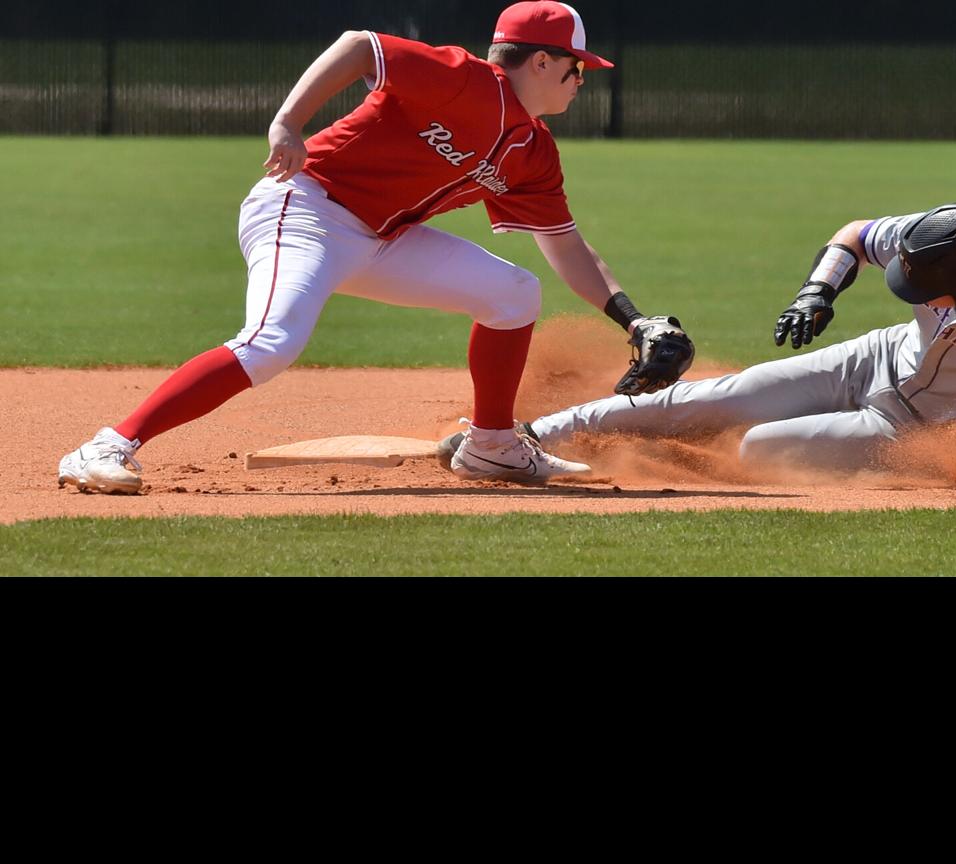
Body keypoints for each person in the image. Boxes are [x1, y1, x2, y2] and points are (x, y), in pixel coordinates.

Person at [56, 1, 691, 495]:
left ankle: (492, 444)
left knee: (515, 292)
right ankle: (109, 444)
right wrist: (286, 123)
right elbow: (360, 46)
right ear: (545, 62)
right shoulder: (465, 80)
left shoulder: (533, 150)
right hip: (304, 208)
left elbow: (567, 247)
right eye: (579, 67)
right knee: (272, 343)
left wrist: (633, 317)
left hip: (382, 239)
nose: (584, 81)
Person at [438, 203, 956, 476]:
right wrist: (818, 290)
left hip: (908, 431)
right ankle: (532, 434)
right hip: (867, 360)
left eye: (923, 285)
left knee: (760, 445)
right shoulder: (949, 234)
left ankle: (659, 466)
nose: (908, 283)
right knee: (714, 398)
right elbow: (855, 235)